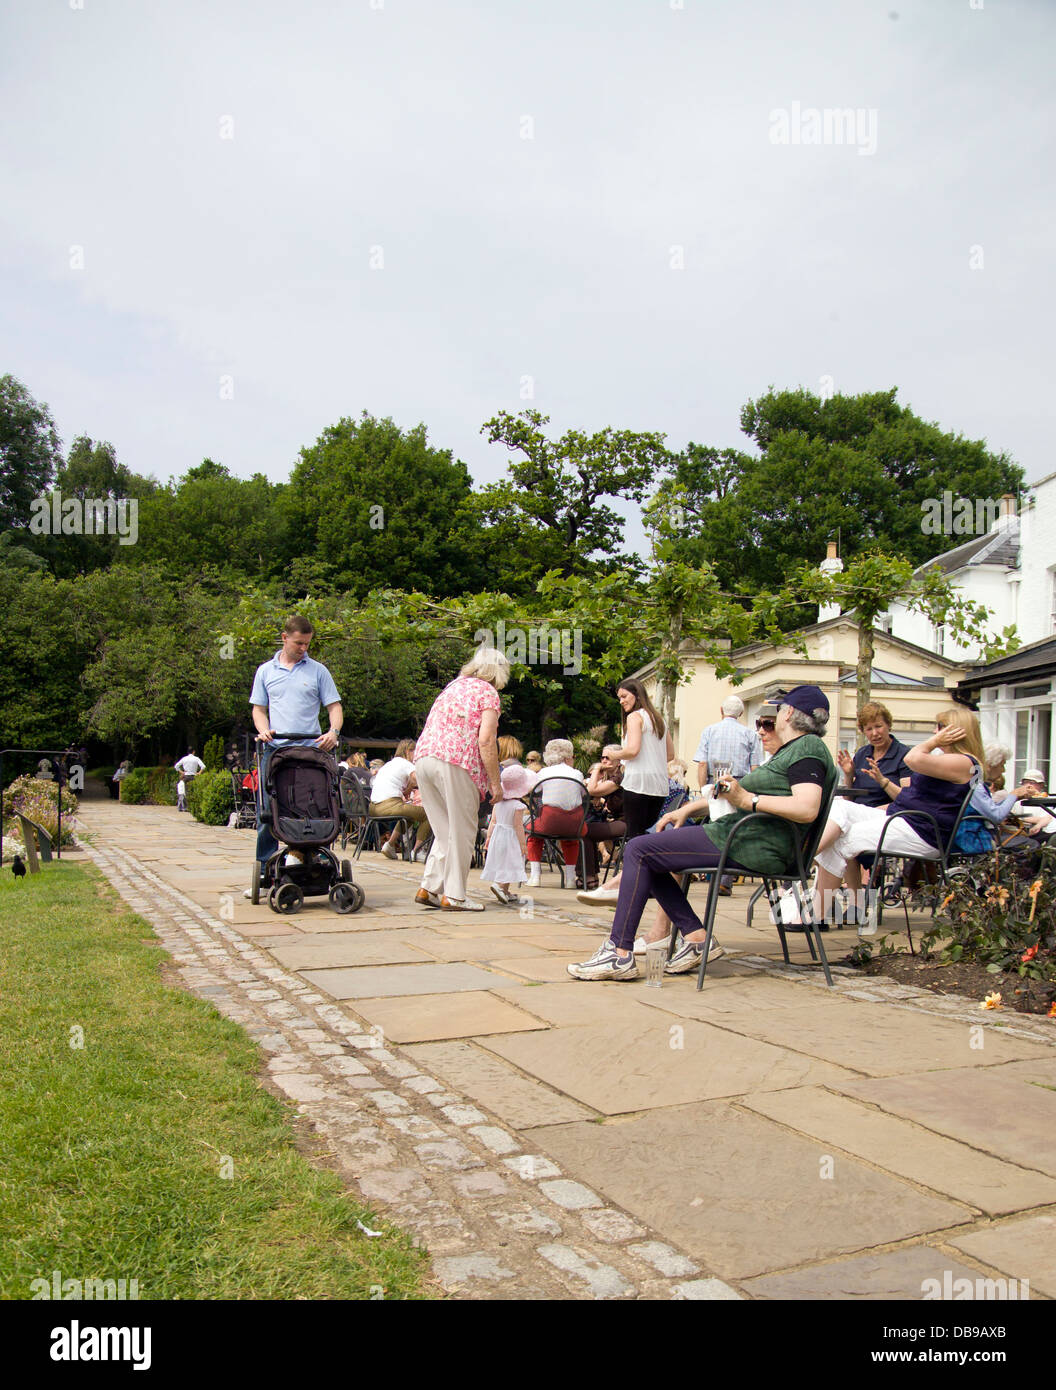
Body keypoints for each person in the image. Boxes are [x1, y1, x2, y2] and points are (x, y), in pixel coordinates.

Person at [567, 686, 834, 981]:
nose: (772, 719)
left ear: (791, 714)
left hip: (749, 844)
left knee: (639, 850)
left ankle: (619, 952)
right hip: (741, 838)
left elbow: (807, 807)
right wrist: (688, 809)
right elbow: (741, 796)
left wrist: (750, 800)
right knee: (647, 853)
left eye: (778, 711)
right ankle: (695, 937)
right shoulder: (793, 751)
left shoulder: (807, 748)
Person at [628, 706, 785, 957]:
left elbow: (733, 788)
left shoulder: (784, 763)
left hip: (743, 835)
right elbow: (735, 790)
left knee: (645, 849)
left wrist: (723, 795)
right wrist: (695, 806)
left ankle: (639, 938)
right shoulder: (769, 759)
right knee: (659, 839)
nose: (761, 731)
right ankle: (683, 931)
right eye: (759, 724)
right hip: (733, 821)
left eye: (769, 725)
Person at [814, 706, 984, 936]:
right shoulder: (949, 759)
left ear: (957, 732)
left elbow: (912, 759)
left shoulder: (965, 762)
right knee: (839, 807)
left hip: (921, 830)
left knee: (846, 839)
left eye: (941, 728)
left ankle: (816, 912)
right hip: (903, 817)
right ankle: (809, 856)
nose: (936, 732)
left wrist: (933, 742)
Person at [243, 615, 343, 895]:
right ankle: (265, 872)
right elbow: (258, 709)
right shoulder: (265, 671)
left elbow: (334, 706)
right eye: (299, 643)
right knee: (268, 811)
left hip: (310, 751)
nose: (304, 649)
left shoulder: (318, 671)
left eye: (308, 644)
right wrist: (263, 731)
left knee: (313, 807)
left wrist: (333, 731)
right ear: (285, 638)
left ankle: (313, 861)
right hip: (275, 749)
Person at [413, 647, 507, 911]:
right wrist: (495, 783)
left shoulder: (453, 686)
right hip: (456, 761)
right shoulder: (488, 692)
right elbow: (486, 739)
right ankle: (455, 894)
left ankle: (429, 888)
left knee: (444, 831)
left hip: (424, 757)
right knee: (463, 831)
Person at [576, 679, 674, 904]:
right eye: (619, 697)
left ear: (637, 695)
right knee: (643, 838)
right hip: (659, 786)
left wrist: (612, 755)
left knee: (635, 838)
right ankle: (643, 883)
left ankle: (623, 885)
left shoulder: (635, 717)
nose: (621, 701)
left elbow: (632, 750)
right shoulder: (659, 719)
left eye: (624, 696)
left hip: (638, 784)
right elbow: (669, 754)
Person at [693, 696, 762, 895]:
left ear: (721, 710)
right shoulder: (750, 734)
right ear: (741, 713)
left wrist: (704, 788)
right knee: (734, 831)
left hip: (716, 782)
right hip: (739, 783)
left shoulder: (710, 731)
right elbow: (755, 767)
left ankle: (716, 874)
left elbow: (702, 763)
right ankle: (724, 879)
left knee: (716, 828)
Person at [525, 739, 588, 889]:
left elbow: (535, 790)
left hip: (550, 821)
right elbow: (583, 794)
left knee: (533, 833)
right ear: (568, 756)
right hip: (575, 823)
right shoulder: (577, 774)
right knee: (571, 840)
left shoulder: (544, 772)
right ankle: (570, 878)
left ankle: (535, 876)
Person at [370, 739, 431, 862]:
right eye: (415, 751)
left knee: (410, 815)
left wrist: (407, 789)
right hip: (388, 804)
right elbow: (416, 777)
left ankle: (390, 844)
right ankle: (418, 851)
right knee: (428, 814)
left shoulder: (389, 764)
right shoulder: (405, 763)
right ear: (408, 751)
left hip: (373, 807)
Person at [481, 763, 533, 905]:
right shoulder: (518, 806)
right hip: (510, 837)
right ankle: (500, 886)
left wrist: (489, 837)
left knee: (502, 862)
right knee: (511, 862)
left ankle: (505, 891)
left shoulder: (498, 804)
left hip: (498, 835)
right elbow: (517, 826)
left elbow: (493, 821)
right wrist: (523, 843)